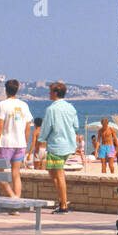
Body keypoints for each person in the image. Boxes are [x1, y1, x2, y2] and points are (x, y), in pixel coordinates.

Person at [40, 82, 78, 212]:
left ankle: (63, 205)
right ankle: (62, 200)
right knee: (53, 173)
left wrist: (40, 139)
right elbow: (76, 126)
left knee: (59, 174)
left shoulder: (51, 109)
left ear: (55, 93)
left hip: (56, 145)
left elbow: (46, 127)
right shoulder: (71, 108)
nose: (49, 94)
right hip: (68, 145)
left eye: (50, 91)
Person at [0, 79, 34, 198]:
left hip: (6, 143)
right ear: (17, 89)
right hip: (20, 144)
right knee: (16, 174)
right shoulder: (24, 105)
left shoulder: (2, 104)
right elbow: (27, 127)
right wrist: (25, 143)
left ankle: (12, 197)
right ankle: (17, 201)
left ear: (5, 90)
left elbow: (0, 126)